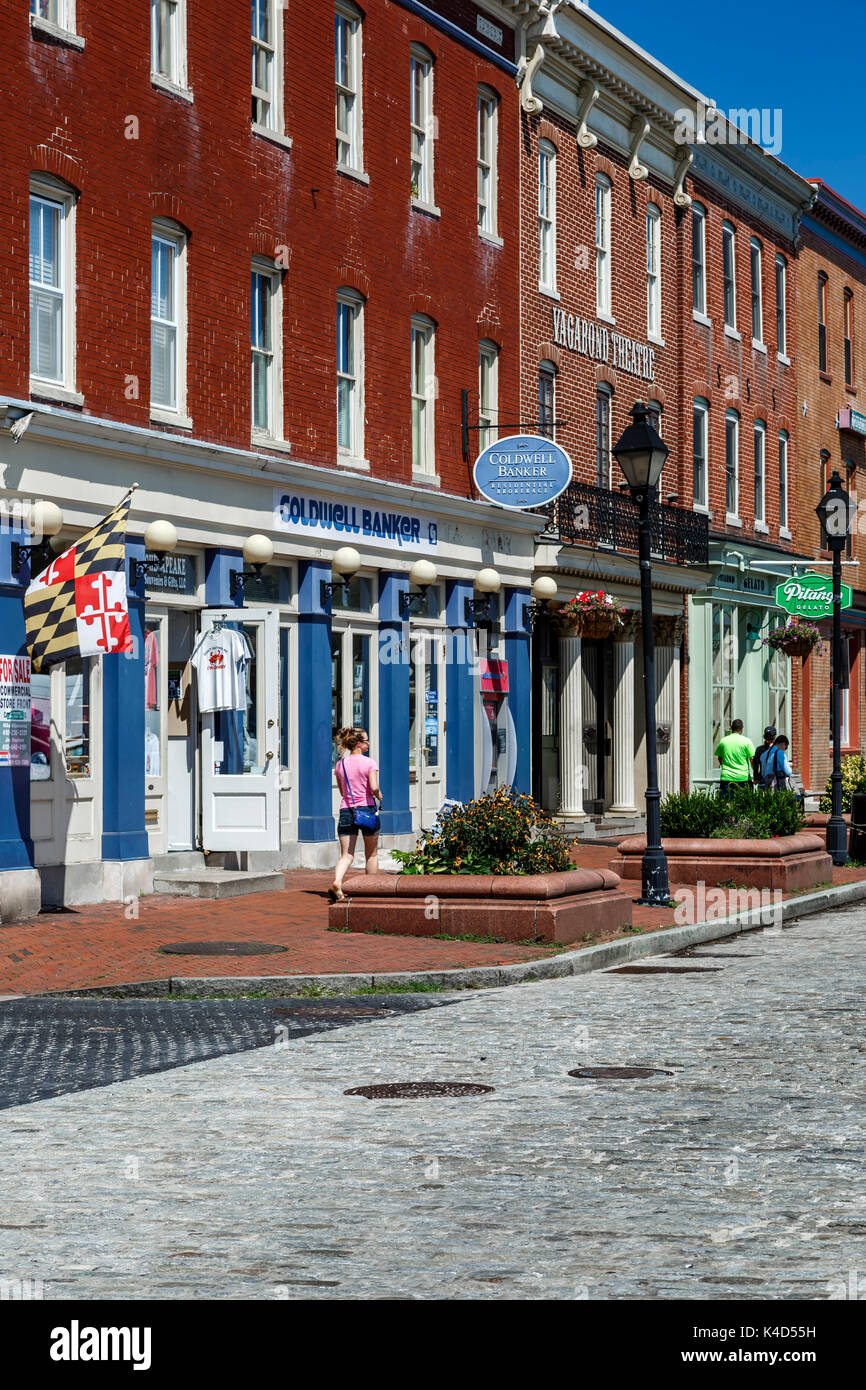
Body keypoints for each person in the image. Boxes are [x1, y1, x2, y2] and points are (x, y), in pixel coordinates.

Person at [329, 727, 383, 903]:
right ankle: (371, 889)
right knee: (372, 854)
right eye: (366, 740)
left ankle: (337, 882)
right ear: (359, 743)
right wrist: (379, 795)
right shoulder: (369, 763)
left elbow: (342, 790)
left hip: (346, 810)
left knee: (347, 855)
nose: (368, 743)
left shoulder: (340, 765)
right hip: (366, 810)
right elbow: (374, 788)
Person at [714, 718, 755, 799]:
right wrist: (755, 772)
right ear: (742, 728)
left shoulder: (724, 741)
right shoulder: (747, 741)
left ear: (731, 728)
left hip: (726, 777)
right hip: (743, 778)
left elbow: (719, 757)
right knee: (744, 804)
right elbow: (752, 759)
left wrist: (726, 767)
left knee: (726, 804)